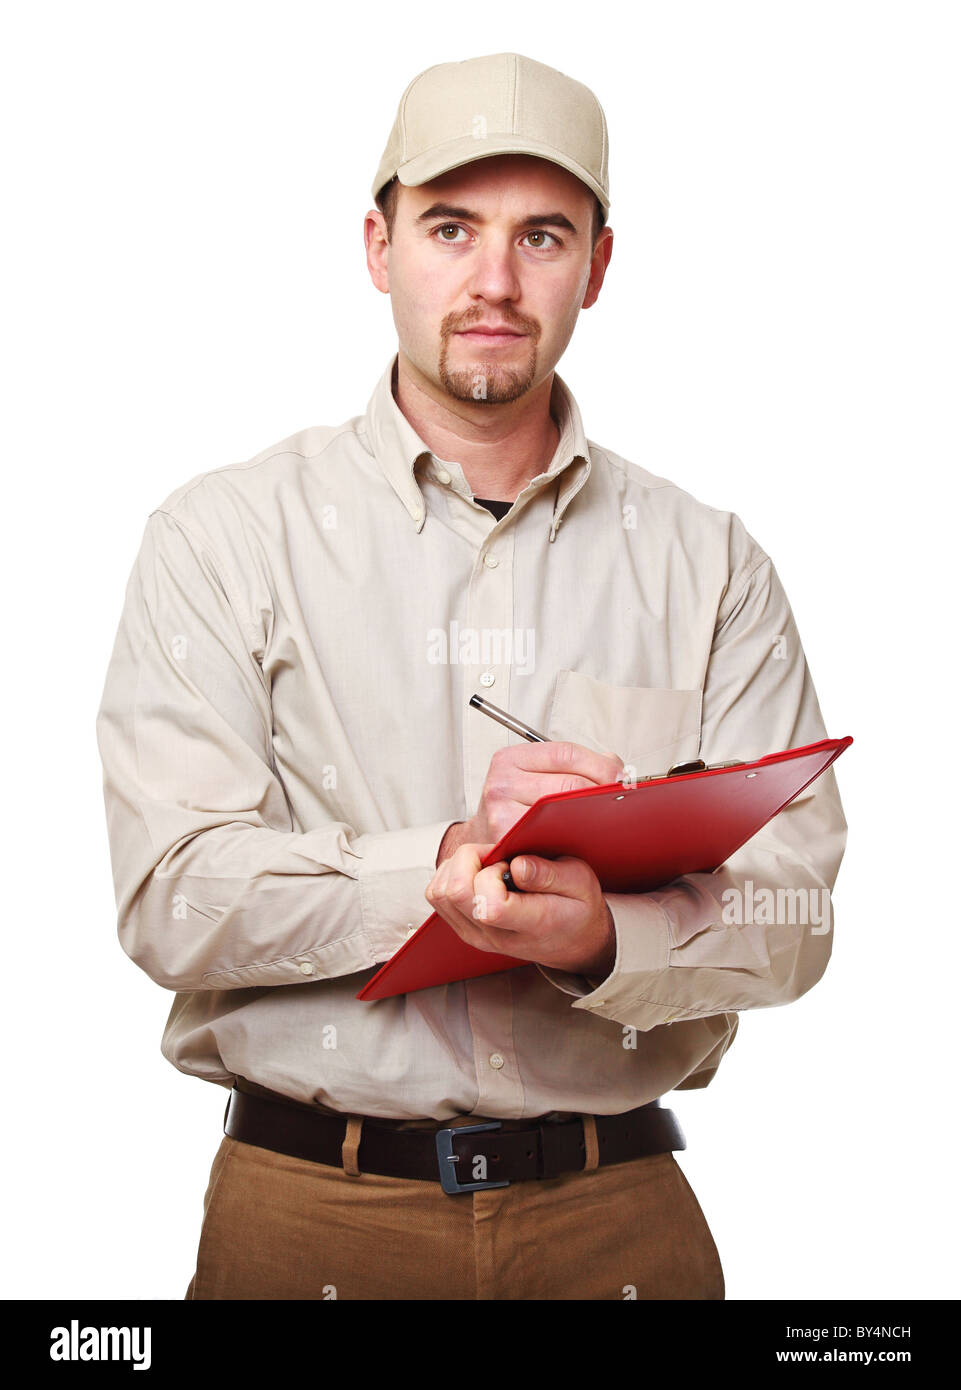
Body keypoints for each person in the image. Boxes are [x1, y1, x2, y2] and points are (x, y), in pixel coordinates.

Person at [95, 52, 848, 1302]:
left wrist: (612, 933)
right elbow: (171, 895)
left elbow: (797, 913)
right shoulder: (220, 538)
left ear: (598, 265)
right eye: (452, 228)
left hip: (621, 1225)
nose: (495, 282)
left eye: (541, 235)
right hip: (310, 1222)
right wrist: (443, 862)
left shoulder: (707, 562)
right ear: (379, 245)